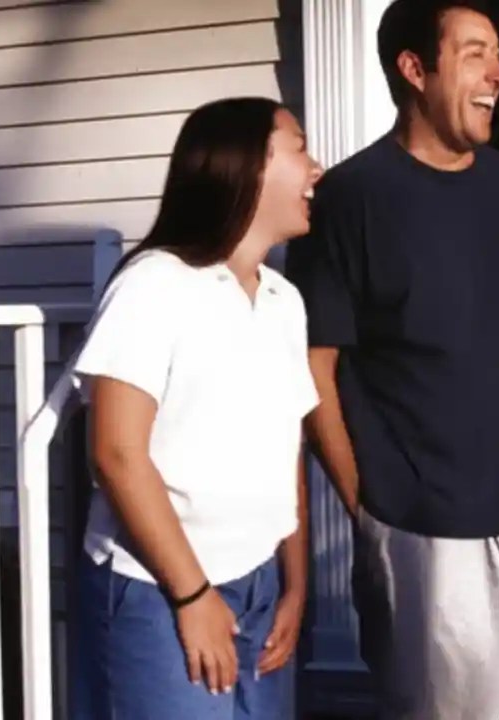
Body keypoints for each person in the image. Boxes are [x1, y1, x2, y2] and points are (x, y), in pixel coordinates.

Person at [283, 0, 499, 717]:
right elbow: (314, 367)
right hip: (430, 546)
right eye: (475, 53)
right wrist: (369, 507)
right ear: (414, 69)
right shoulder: (348, 200)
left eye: (497, 54)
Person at [68, 97, 324, 719]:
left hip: (260, 585)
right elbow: (116, 453)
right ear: (244, 168)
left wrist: (296, 587)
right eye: (298, 149)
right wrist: (193, 597)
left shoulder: (283, 301)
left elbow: (285, 447)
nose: (317, 170)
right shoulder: (156, 285)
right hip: (160, 589)